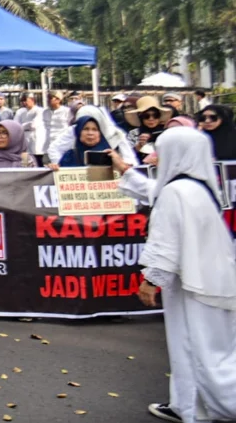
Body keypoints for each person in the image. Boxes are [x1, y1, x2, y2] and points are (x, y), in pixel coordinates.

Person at [137, 127, 236, 423]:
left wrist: (149, 280)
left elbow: (166, 242)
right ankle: (188, 405)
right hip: (214, 281)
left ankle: (200, 408)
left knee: (192, 346)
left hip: (192, 286)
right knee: (214, 349)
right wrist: (125, 170)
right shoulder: (202, 189)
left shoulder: (175, 192)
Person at [48, 105, 139, 166]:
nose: (90, 133)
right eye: (85, 128)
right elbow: (54, 149)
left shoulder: (115, 134)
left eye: (94, 129)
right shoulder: (73, 131)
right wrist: (58, 166)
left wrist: (121, 164)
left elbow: (131, 161)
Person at [15, 92, 48, 165]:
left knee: (38, 163)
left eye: (25, 100)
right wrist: (23, 126)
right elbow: (15, 125)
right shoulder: (20, 111)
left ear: (32, 100)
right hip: (24, 143)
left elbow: (33, 125)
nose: (24, 102)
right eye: (22, 101)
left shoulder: (40, 111)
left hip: (37, 143)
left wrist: (21, 126)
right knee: (25, 164)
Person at [44, 92, 71, 156]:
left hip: (62, 144)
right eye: (48, 98)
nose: (48, 100)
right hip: (48, 145)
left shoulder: (67, 111)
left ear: (58, 100)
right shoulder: (45, 112)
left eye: (50, 98)